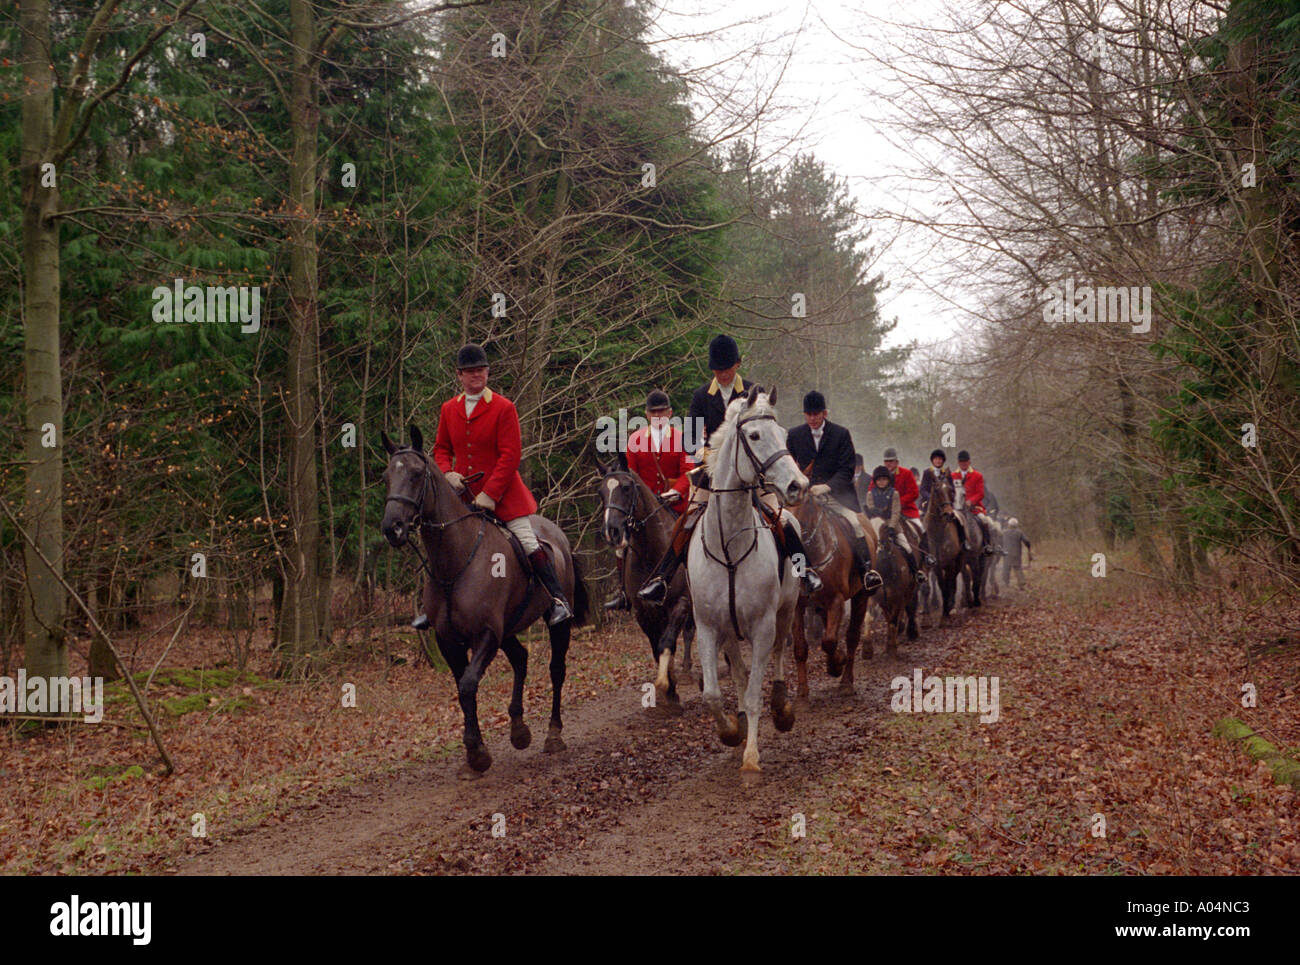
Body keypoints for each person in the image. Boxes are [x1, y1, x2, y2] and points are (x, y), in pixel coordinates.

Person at [638, 334, 822, 603]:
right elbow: (690, 441)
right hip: (714, 474)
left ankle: (803, 569)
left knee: (780, 518)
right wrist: (708, 455)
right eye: (717, 369)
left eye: (726, 368)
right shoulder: (701, 396)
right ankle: (662, 579)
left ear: (737, 364)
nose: (722, 374)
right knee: (686, 520)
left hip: (753, 474)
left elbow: (767, 434)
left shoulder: (753, 393)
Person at [414, 342, 573, 629]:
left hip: (504, 495)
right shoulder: (449, 408)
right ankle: (432, 608)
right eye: (470, 372)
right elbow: (440, 448)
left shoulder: (504, 407)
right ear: (459, 375)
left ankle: (557, 598)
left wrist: (490, 494)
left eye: (481, 370)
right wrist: (447, 472)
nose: (477, 376)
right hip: (461, 497)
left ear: (487, 372)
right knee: (441, 544)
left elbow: (510, 455)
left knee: (527, 540)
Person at [605, 389, 693, 611]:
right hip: (644, 509)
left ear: (670, 413)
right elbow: (630, 475)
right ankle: (624, 591)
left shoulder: (682, 438)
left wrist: (675, 493)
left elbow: (688, 472)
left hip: (675, 504)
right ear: (647, 415)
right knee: (621, 542)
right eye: (654, 413)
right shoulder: (635, 440)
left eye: (662, 412)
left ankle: (694, 587)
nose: (658, 416)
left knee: (692, 536)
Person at [786, 391, 882, 588]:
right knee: (785, 528)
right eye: (809, 414)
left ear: (825, 413)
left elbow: (847, 469)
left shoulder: (841, 434)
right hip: (803, 497)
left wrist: (827, 486)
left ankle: (867, 572)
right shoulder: (794, 435)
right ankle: (792, 575)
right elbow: (788, 465)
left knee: (855, 524)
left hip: (836, 497)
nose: (812, 418)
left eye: (816, 414)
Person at [862, 465, 919, 579]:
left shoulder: (894, 493)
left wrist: (892, 527)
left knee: (906, 546)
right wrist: (877, 513)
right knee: (864, 547)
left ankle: (916, 573)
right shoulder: (870, 494)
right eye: (879, 480)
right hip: (876, 524)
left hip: (891, 523)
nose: (881, 482)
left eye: (884, 479)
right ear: (875, 481)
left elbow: (896, 512)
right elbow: (871, 510)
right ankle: (866, 574)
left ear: (888, 480)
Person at [882, 446, 928, 565]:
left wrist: (899, 503)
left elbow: (914, 493)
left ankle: (927, 558)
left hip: (907, 511)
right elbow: (872, 491)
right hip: (886, 514)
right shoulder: (879, 474)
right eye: (886, 461)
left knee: (922, 530)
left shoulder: (906, 473)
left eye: (891, 461)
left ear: (897, 462)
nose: (888, 464)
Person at [951, 450, 998, 556]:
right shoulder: (952, 476)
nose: (963, 464)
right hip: (957, 509)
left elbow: (980, 493)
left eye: (965, 461)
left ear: (969, 462)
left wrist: (970, 501)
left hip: (974, 508)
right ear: (958, 462)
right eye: (961, 462)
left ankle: (987, 545)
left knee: (985, 521)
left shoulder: (977, 475)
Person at [1001, 517, 1032, 589]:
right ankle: (1021, 583)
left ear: (1009, 524)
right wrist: (1028, 546)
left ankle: (1006, 583)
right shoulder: (1019, 532)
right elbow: (1027, 541)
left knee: (1006, 568)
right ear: (1016, 525)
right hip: (1016, 553)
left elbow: (1000, 542)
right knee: (1018, 568)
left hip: (1006, 553)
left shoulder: (1004, 532)